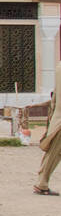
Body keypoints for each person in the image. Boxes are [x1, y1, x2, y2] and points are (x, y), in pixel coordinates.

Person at [35, 57, 61, 196]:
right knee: (54, 152)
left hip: (57, 116)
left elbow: (55, 96)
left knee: (53, 152)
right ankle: (42, 183)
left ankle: (42, 182)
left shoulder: (59, 67)